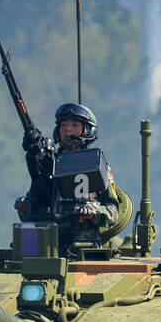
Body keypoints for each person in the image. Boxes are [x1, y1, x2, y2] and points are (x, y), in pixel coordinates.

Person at [14, 103, 123, 256]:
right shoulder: (49, 164)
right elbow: (34, 210)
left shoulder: (96, 166)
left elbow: (113, 212)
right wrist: (25, 207)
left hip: (83, 251)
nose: (67, 129)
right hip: (45, 246)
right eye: (63, 124)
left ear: (87, 130)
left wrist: (95, 211)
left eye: (74, 125)